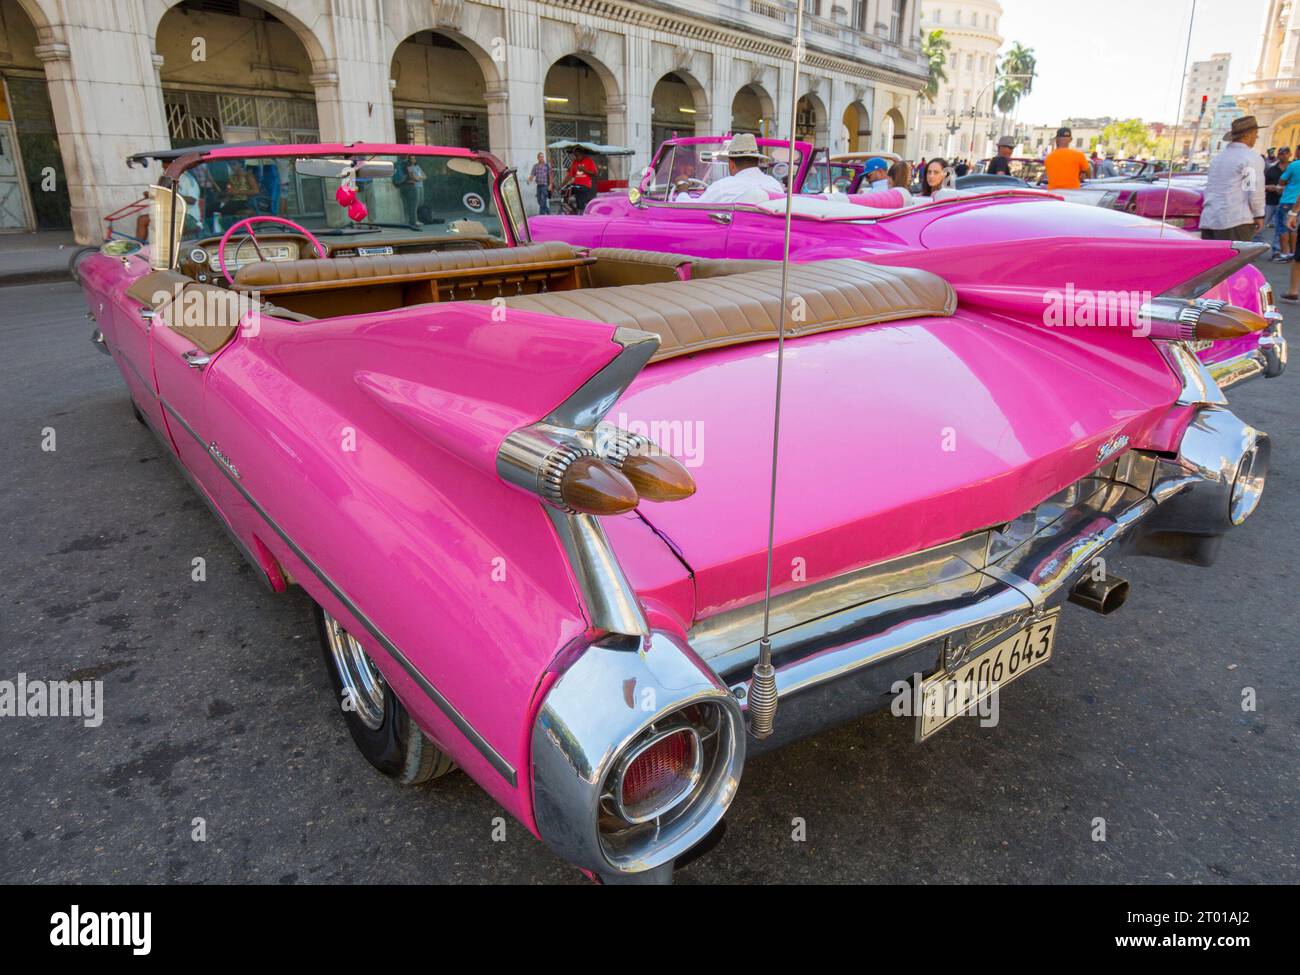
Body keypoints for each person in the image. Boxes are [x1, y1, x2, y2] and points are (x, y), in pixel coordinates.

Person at [1200, 115, 1266, 242]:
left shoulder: (1218, 158)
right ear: (1248, 134)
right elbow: (1253, 189)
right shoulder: (1250, 158)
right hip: (1235, 220)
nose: (1256, 138)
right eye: (1255, 134)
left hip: (1210, 218)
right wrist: (1259, 214)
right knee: (1235, 260)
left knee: (1214, 261)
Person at [694, 132, 783, 204]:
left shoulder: (722, 187)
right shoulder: (775, 185)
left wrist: (683, 191)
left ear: (732, 165)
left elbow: (694, 207)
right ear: (757, 162)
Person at [1264, 145, 1292, 258]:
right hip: (1270, 201)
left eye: (1286, 153)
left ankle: (1276, 250)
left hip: (1286, 202)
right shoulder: (1271, 169)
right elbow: (1262, 184)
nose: (1283, 155)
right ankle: (1255, 247)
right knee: (1261, 226)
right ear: (1278, 155)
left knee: (1280, 228)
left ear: (1290, 154)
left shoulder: (1293, 168)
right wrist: (1269, 187)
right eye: (1281, 153)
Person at [392, 155, 426, 226]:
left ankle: (408, 220)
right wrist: (417, 179)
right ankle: (413, 221)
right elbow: (411, 175)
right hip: (410, 186)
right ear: (407, 156)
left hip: (401, 186)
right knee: (413, 205)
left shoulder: (396, 163)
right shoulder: (408, 163)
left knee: (406, 205)